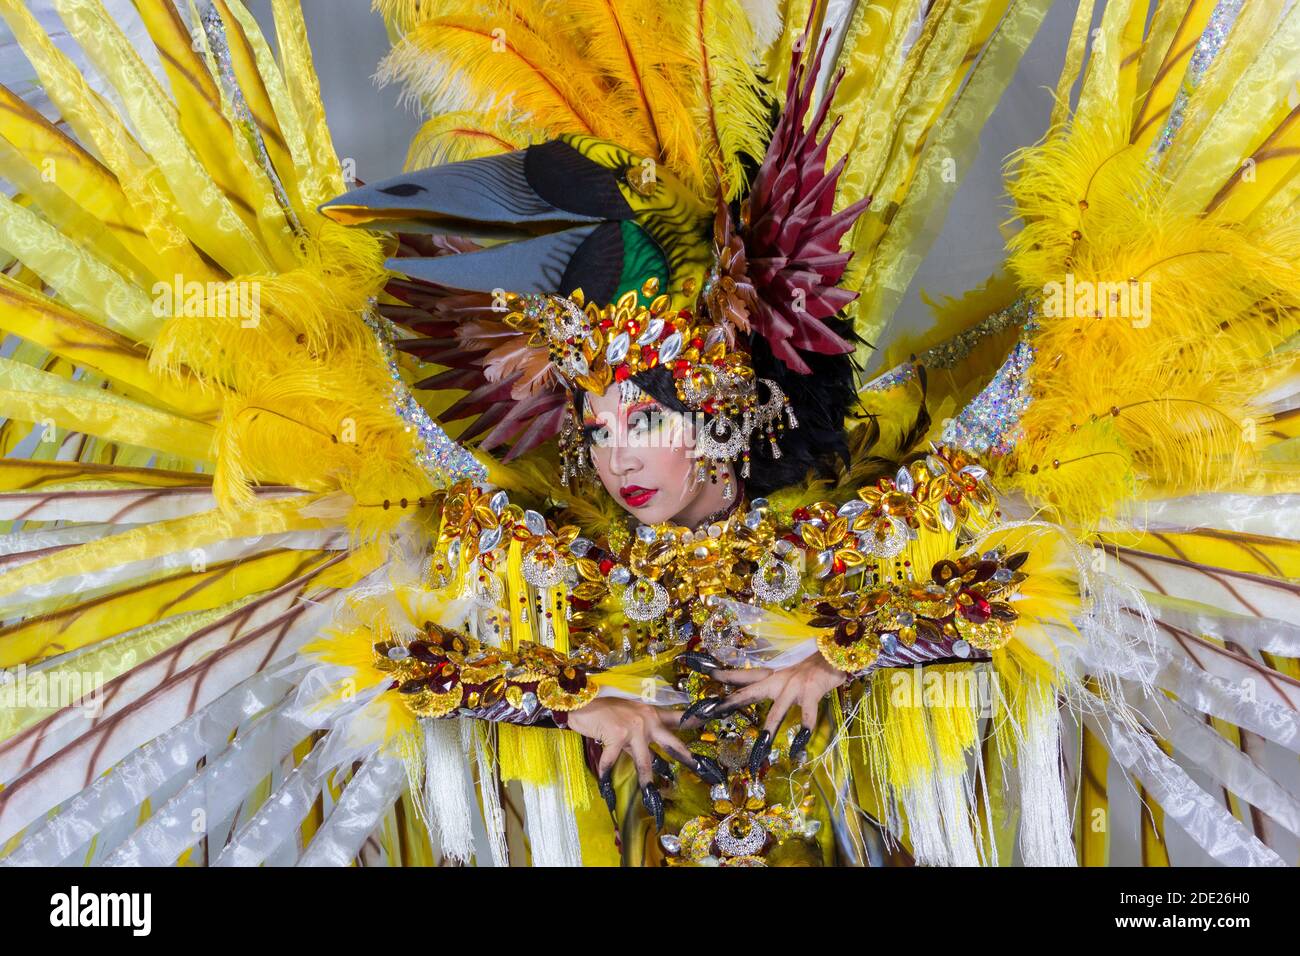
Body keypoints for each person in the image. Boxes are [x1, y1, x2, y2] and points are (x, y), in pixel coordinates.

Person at [0, 0, 1297, 869]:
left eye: (651, 416)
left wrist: (838, 652)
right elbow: (401, 656)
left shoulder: (858, 527)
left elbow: (1004, 582)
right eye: (605, 418)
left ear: (725, 413)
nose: (623, 450)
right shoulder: (515, 543)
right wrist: (574, 699)